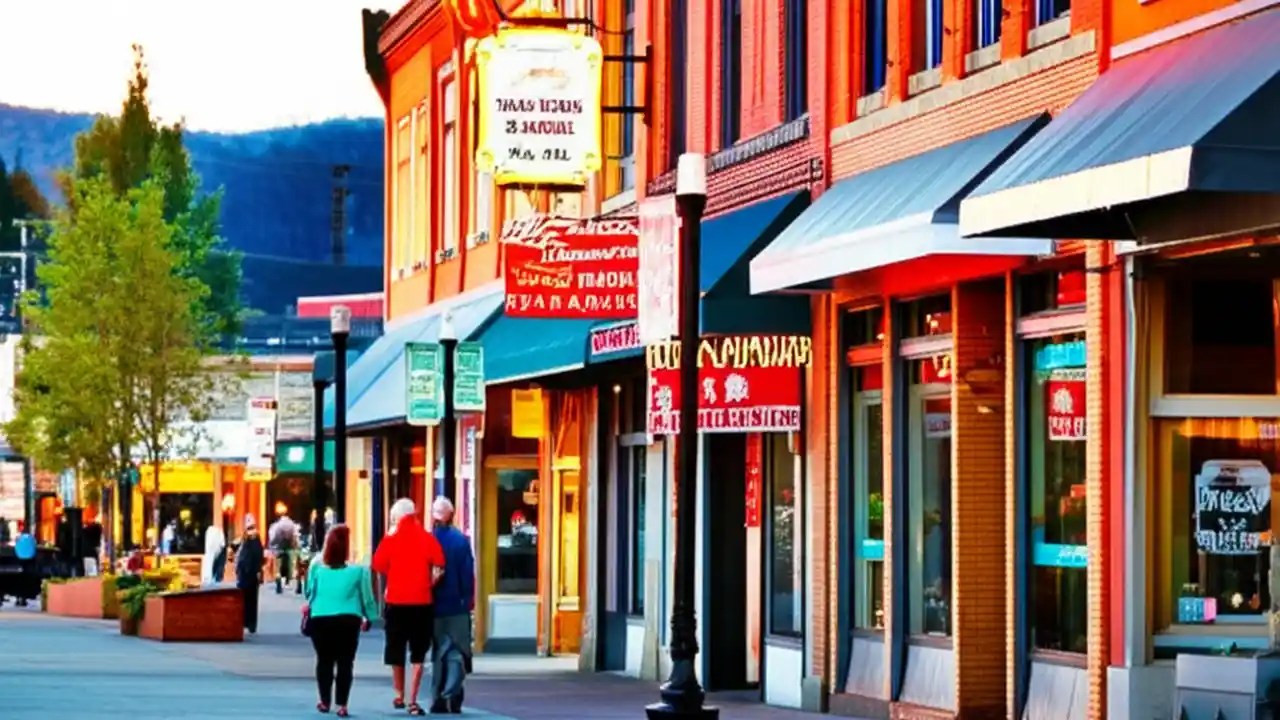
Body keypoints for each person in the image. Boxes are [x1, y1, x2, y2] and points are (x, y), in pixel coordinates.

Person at [371, 498, 445, 716]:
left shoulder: (391, 539)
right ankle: (413, 698)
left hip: (396, 600)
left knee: (396, 648)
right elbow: (440, 563)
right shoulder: (427, 538)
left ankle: (399, 694)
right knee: (418, 651)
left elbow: (378, 564)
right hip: (422, 602)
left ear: (397, 517)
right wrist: (429, 582)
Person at [305, 524, 378, 717]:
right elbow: (367, 597)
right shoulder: (358, 572)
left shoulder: (317, 569)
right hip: (348, 619)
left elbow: (309, 592)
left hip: (320, 618)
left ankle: (324, 700)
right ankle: (342, 704)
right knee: (346, 661)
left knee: (324, 660)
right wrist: (370, 617)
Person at [428, 497, 475, 714]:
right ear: (452, 515)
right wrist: (468, 600)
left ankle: (438, 696)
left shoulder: (428, 540)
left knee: (438, 651)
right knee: (456, 650)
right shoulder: (460, 541)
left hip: (433, 604)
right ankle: (452, 695)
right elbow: (467, 575)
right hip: (457, 604)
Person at [234, 514, 265, 634]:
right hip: (246, 574)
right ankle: (247, 622)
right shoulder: (246, 540)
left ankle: (249, 623)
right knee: (247, 600)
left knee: (249, 600)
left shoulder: (254, 541)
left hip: (249, 575)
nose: (250, 531)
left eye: (251, 528)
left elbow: (256, 558)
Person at [269, 514, 301, 594]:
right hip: (290, 549)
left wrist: (272, 546)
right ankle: (298, 584)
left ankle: (279, 585)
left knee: (278, 568)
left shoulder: (277, 526)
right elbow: (296, 537)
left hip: (280, 549)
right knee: (293, 567)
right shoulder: (292, 525)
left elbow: (273, 539)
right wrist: (296, 547)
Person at [13, 522, 36, 607]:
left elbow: (16, 548)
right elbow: (34, 549)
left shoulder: (19, 539)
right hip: (29, 563)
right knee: (26, 580)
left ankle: (19, 599)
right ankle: (23, 599)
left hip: (20, 562)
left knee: (20, 580)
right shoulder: (31, 539)